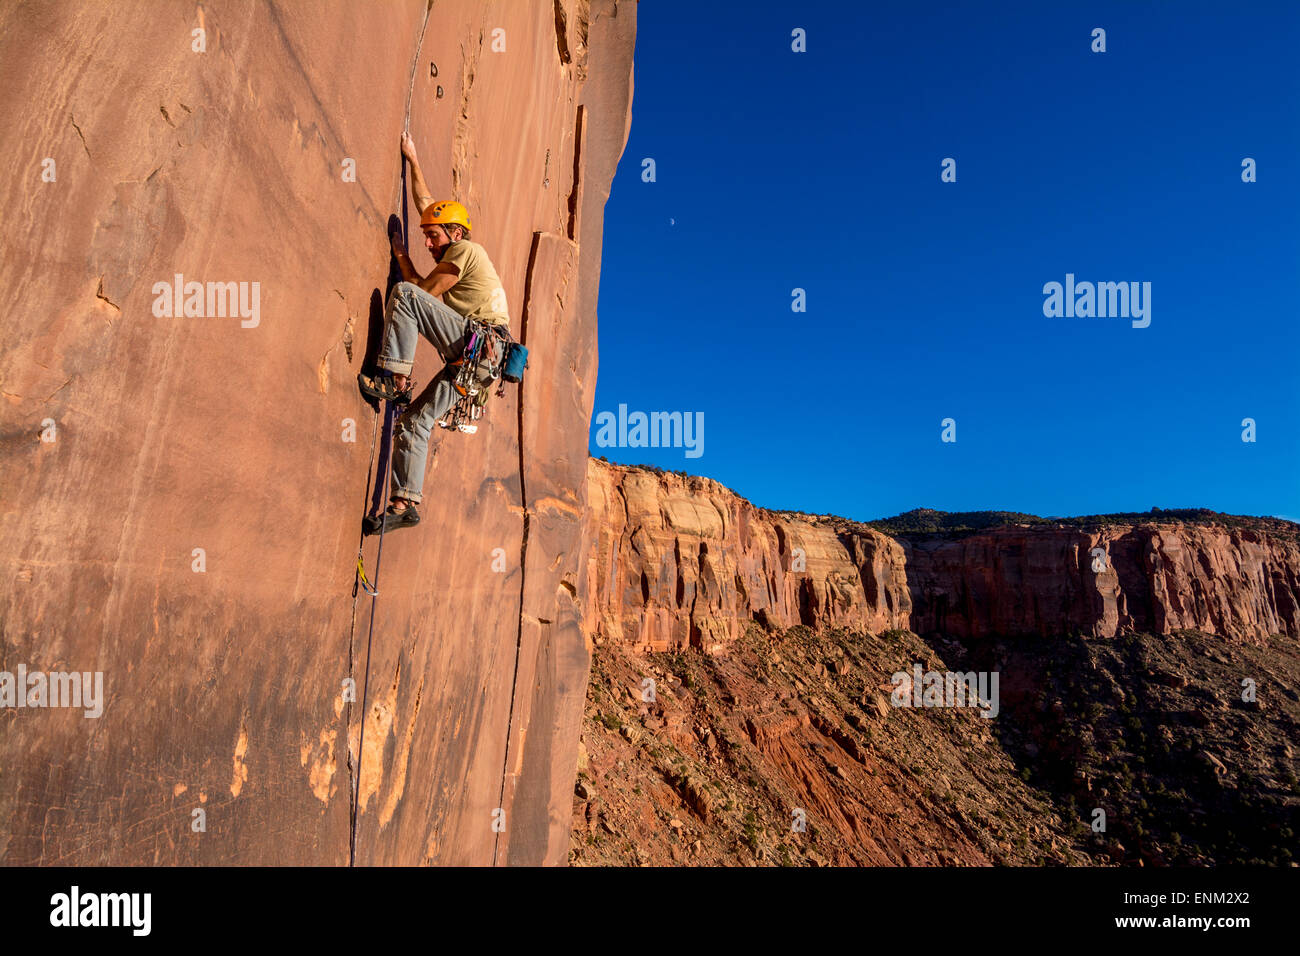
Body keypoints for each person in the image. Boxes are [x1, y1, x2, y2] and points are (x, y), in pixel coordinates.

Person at [358, 132, 511, 534]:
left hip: (478, 347)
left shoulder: (465, 252)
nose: (427, 241)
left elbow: (420, 293)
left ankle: (394, 379)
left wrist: (400, 255)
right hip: (477, 365)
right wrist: (412, 158)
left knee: (405, 295)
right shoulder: (454, 241)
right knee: (413, 423)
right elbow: (427, 205)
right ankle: (404, 503)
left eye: (433, 236)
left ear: (456, 234)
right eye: (426, 235)